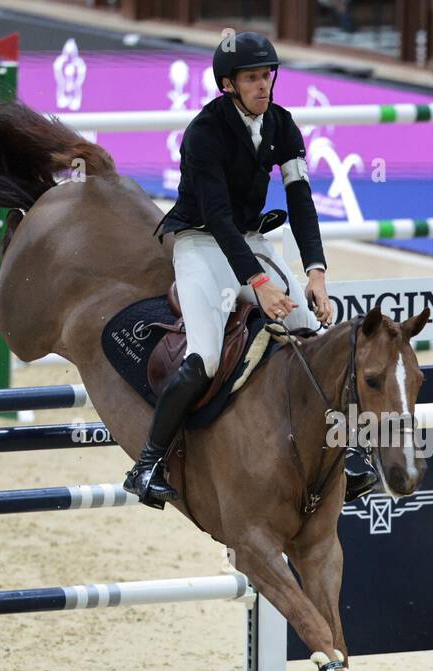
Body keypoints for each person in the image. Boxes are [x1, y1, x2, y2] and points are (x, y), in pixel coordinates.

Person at [124, 30, 379, 509]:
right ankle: (147, 463)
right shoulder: (203, 133)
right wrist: (258, 284)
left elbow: (302, 202)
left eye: (267, 75)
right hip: (202, 245)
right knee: (205, 358)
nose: (264, 85)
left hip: (254, 240)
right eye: (252, 78)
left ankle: (345, 454)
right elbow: (217, 217)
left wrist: (317, 272)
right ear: (228, 85)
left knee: (311, 335)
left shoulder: (282, 125)